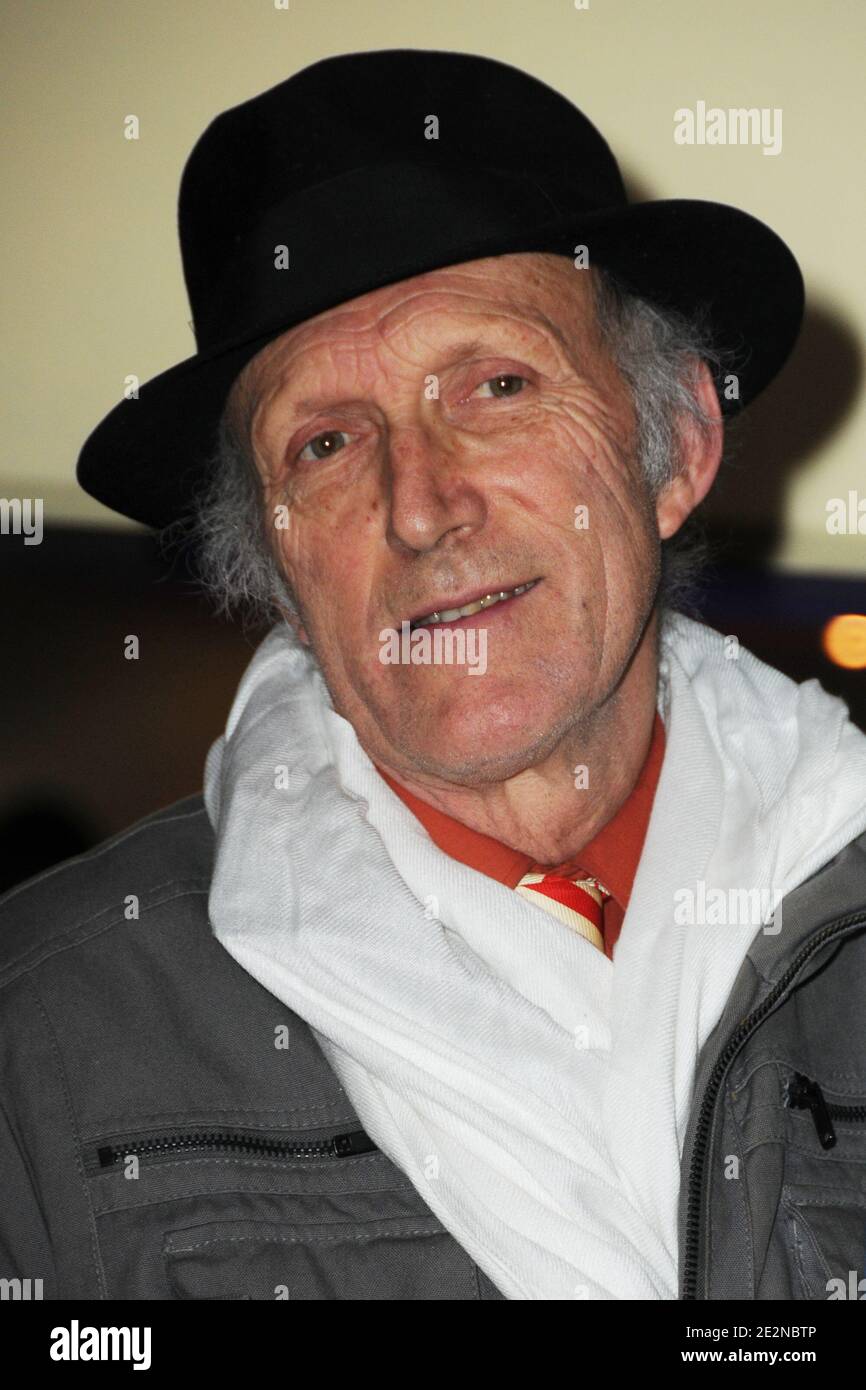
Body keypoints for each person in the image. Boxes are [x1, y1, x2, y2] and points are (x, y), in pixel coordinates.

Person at [2, 49, 865, 1303]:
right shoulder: (45, 1042)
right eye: (328, 443)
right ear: (278, 563)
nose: (419, 507)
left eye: (497, 386)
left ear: (672, 446)